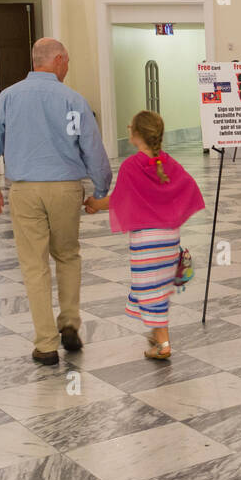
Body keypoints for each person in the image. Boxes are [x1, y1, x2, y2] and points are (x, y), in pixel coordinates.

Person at [0, 38, 111, 365]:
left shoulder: (7, 98)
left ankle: (46, 344)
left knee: (34, 265)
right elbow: (92, 148)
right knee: (67, 255)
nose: (68, 68)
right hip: (65, 187)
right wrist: (101, 188)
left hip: (25, 190)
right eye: (67, 62)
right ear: (59, 60)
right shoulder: (73, 101)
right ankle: (69, 324)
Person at [85, 111, 204, 360]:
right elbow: (189, 187)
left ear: (135, 134)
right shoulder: (168, 162)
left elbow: (118, 200)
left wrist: (95, 204)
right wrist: (174, 214)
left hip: (145, 242)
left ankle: (163, 344)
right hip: (169, 239)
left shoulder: (131, 166)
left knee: (150, 289)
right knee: (157, 288)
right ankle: (156, 335)